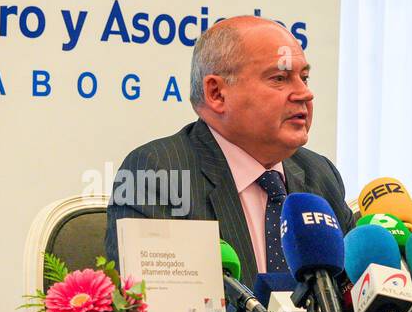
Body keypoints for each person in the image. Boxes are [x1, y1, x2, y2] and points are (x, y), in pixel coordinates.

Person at [105, 15, 356, 286]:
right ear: (217, 94)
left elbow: (352, 303)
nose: (304, 93)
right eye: (280, 78)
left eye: (304, 77)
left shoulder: (319, 174)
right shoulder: (158, 172)